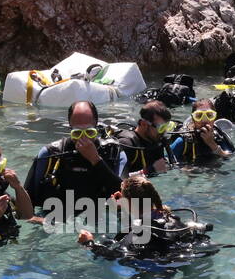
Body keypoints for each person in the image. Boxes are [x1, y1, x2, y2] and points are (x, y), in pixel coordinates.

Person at [76, 175, 216, 266]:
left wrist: (89, 243)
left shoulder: (137, 234)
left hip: (157, 268)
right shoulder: (172, 219)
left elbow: (114, 256)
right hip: (184, 256)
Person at [24, 100, 126, 221]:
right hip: (57, 224)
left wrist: (96, 160)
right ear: (70, 127)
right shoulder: (50, 154)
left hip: (100, 223)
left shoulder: (114, 153)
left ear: (96, 124)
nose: (83, 138)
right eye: (77, 133)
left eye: (89, 132)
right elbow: (26, 204)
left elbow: (127, 198)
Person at [168, 100, 235, 165]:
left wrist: (212, 143)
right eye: (199, 115)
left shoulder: (219, 137)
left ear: (214, 118)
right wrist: (183, 168)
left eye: (209, 115)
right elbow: (166, 161)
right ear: (193, 118)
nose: (204, 120)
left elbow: (231, 157)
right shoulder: (183, 141)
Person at [114, 102, 174, 174]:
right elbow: (119, 180)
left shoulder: (158, 141)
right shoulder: (127, 144)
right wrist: (150, 170)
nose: (164, 132)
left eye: (167, 127)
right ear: (143, 124)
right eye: (161, 128)